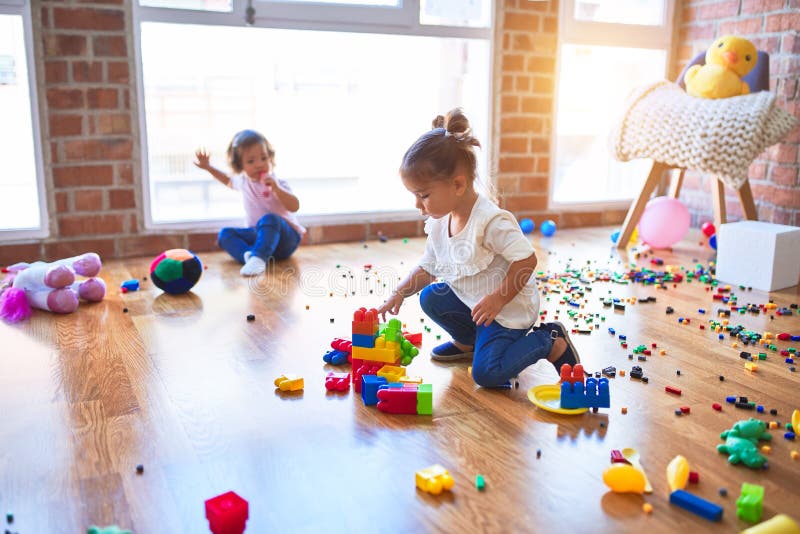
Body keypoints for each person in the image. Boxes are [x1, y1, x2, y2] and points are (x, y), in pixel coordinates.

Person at [376, 109, 580, 388]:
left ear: (458, 184)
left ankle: (549, 341)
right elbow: (428, 267)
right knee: (431, 297)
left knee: (488, 374)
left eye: (423, 195)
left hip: (507, 311)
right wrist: (399, 293)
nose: (417, 205)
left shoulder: (490, 221)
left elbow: (527, 261)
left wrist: (498, 299)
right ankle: (469, 343)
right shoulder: (439, 221)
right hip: (475, 303)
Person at [194, 130, 305, 276]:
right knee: (225, 234)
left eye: (263, 158)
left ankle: (258, 257)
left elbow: (294, 206)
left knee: (269, 219)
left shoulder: (277, 183)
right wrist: (208, 167)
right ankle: (250, 257)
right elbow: (226, 179)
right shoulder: (243, 182)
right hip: (260, 238)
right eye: (251, 161)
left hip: (286, 240)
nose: (259, 164)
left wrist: (277, 189)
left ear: (270, 158)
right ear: (240, 166)